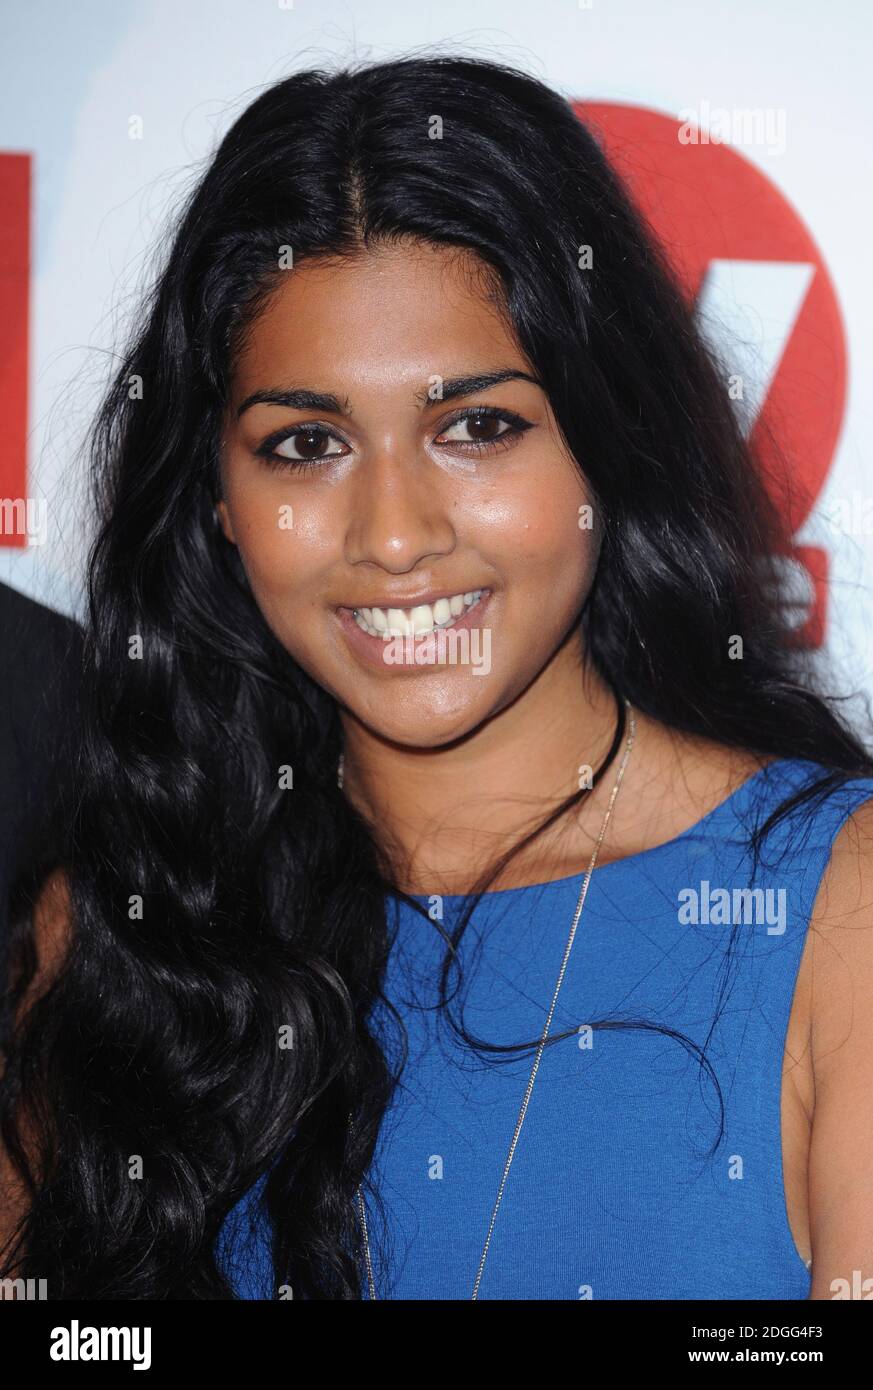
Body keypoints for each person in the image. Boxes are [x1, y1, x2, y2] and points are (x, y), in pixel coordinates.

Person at [2, 54, 873, 1302]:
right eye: (306, 444)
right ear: (218, 504)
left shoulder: (839, 913)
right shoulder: (130, 932)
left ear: (605, 445)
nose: (396, 533)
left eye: (478, 426)